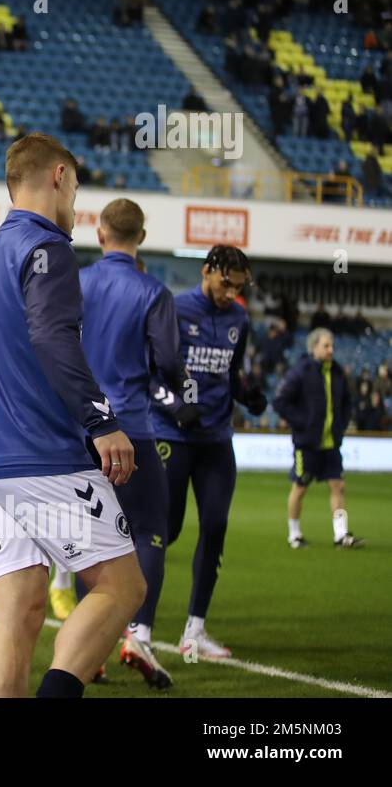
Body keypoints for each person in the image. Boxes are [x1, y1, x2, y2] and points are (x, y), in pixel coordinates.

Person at [0, 132, 146, 698]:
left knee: (16, 613)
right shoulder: (49, 248)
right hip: (42, 461)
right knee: (121, 587)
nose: (78, 202)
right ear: (59, 175)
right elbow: (54, 336)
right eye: (78, 186)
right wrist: (101, 421)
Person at [78, 199, 199, 690]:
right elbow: (169, 363)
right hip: (131, 430)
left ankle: (93, 648)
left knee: (86, 539)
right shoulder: (153, 291)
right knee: (149, 530)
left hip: (78, 430)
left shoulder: (76, 282)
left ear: (100, 232)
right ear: (141, 238)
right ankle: (135, 634)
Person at [149, 245, 268, 661]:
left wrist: (248, 394)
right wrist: (174, 406)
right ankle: (134, 623)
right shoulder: (174, 310)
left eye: (238, 287)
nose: (230, 293)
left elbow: (231, 374)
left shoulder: (239, 318)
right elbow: (148, 374)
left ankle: (194, 631)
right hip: (172, 437)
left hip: (217, 439)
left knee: (215, 526)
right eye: (225, 283)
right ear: (206, 272)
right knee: (166, 529)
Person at [272, 328, 363, 549]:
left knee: (338, 487)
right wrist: (302, 422)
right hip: (307, 444)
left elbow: (347, 402)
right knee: (300, 487)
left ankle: (340, 535)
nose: (331, 349)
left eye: (332, 345)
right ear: (314, 348)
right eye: (326, 346)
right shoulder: (300, 372)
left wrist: (340, 425)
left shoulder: (338, 372)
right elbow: (280, 401)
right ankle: (294, 534)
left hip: (331, 443)